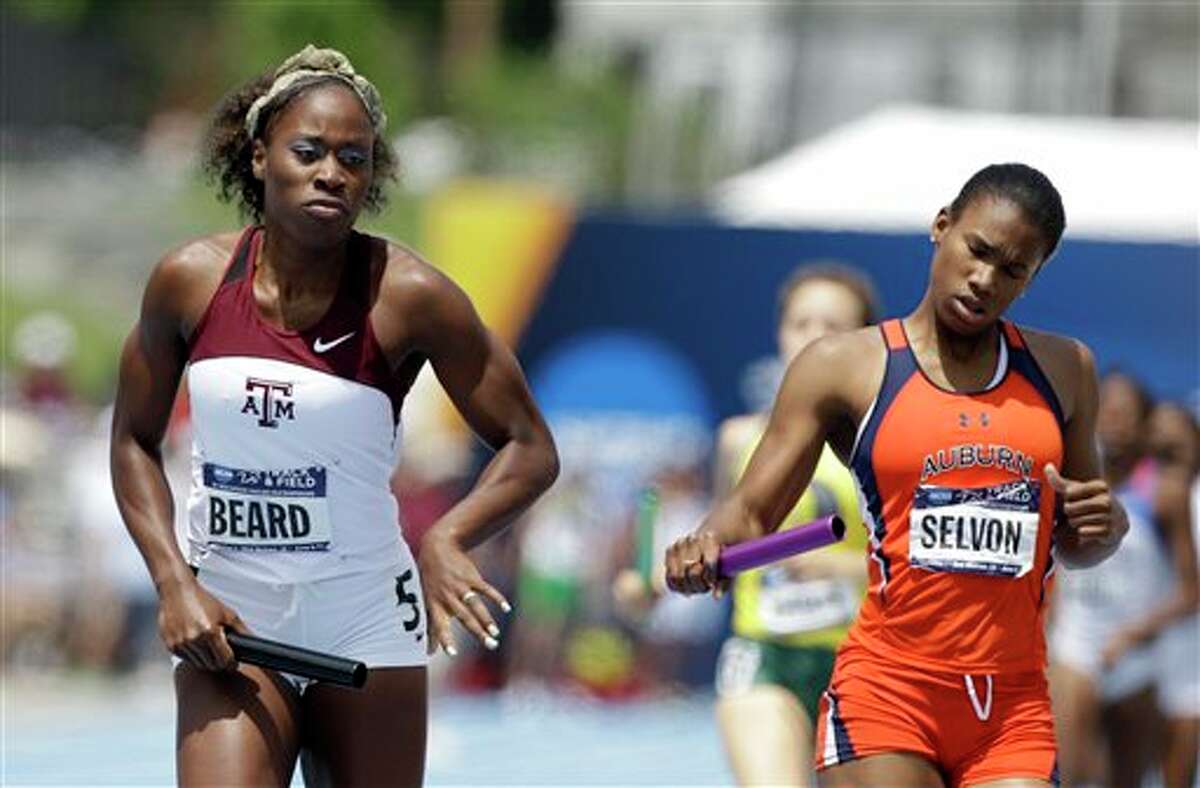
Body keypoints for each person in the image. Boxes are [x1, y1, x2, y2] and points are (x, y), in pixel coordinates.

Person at [109, 45, 558, 786]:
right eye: (309, 151)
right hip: (234, 611)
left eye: (355, 158)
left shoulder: (411, 295)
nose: (332, 173)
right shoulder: (190, 281)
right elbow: (131, 438)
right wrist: (172, 583)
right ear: (259, 158)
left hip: (367, 617)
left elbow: (530, 446)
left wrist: (449, 535)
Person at [665, 163, 1129, 787]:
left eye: (1013, 269)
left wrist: (1109, 525)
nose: (984, 280)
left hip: (1012, 703)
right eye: (978, 251)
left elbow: (1079, 543)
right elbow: (751, 511)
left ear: (1034, 275)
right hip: (890, 690)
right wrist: (705, 543)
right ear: (942, 227)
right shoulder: (842, 367)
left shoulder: (1066, 370)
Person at [710, 265, 876, 786]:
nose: (813, 339)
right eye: (800, 324)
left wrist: (842, 563)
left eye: (832, 327)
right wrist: (647, 586)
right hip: (765, 655)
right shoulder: (738, 439)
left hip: (863, 664)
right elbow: (718, 546)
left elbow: (921, 565)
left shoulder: (884, 446)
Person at [1049, 372, 1198, 787]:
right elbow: (1055, 564)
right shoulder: (1067, 484)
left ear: (1145, 426)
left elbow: (1192, 592)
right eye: (1105, 410)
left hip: (1134, 660)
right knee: (1069, 776)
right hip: (1074, 650)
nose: (1113, 420)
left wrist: (1134, 634)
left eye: (1125, 412)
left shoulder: (1166, 493)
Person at [1148, 401, 1200, 788]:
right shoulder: (1151, 493)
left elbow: (1191, 590)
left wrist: (1133, 632)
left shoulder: (1184, 494)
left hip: (1184, 648)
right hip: (1165, 646)